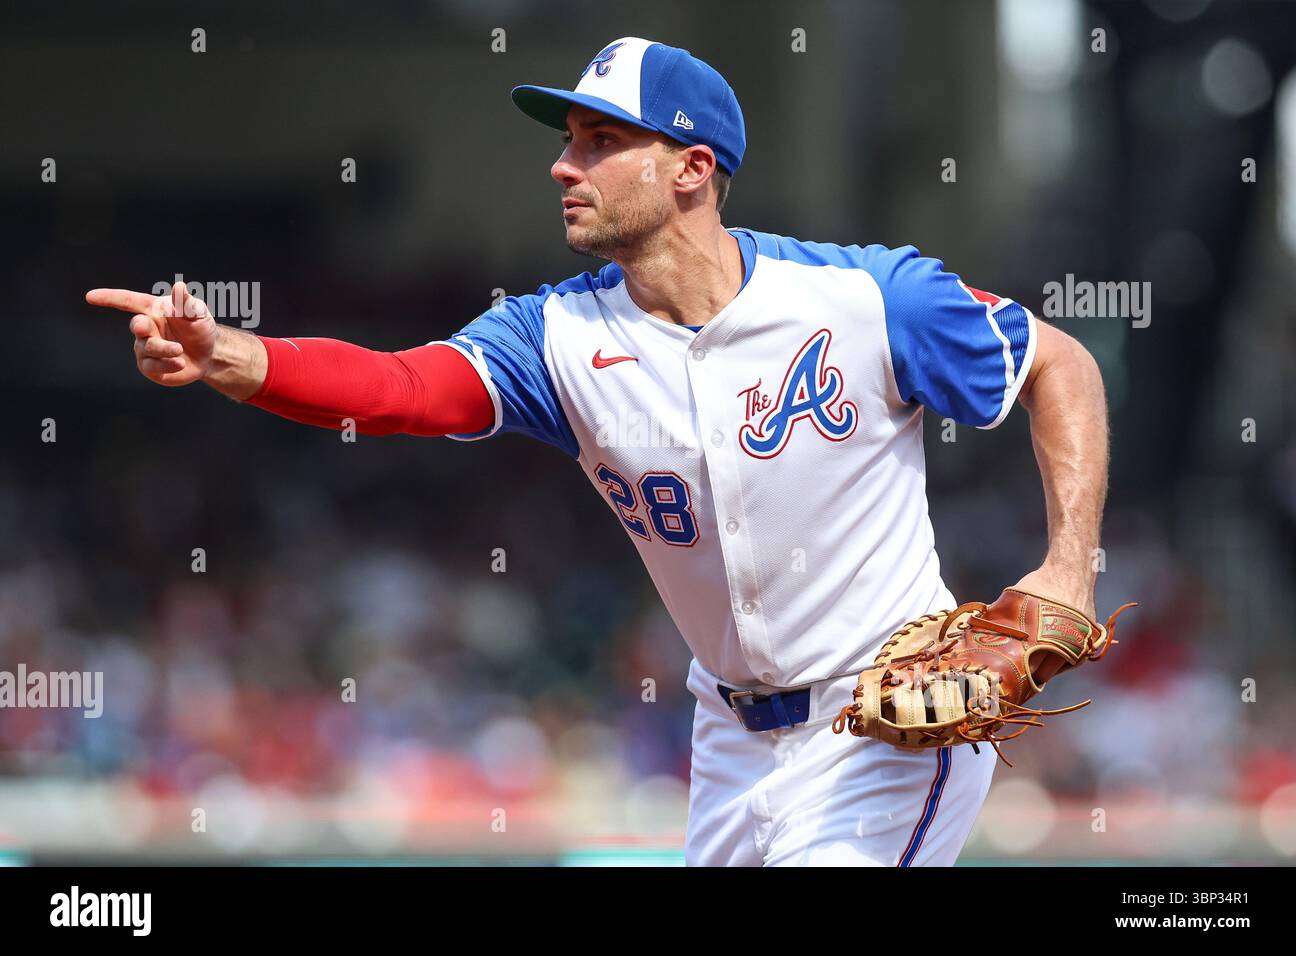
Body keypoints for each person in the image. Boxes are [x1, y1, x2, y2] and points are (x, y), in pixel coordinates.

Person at [87, 37, 1112, 866]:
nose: (561, 164)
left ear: (691, 171)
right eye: (568, 138)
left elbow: (1058, 362)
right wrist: (237, 353)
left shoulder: (867, 298)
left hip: (882, 729)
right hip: (725, 740)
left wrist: (1066, 566)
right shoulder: (555, 336)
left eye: (595, 140)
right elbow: (402, 391)